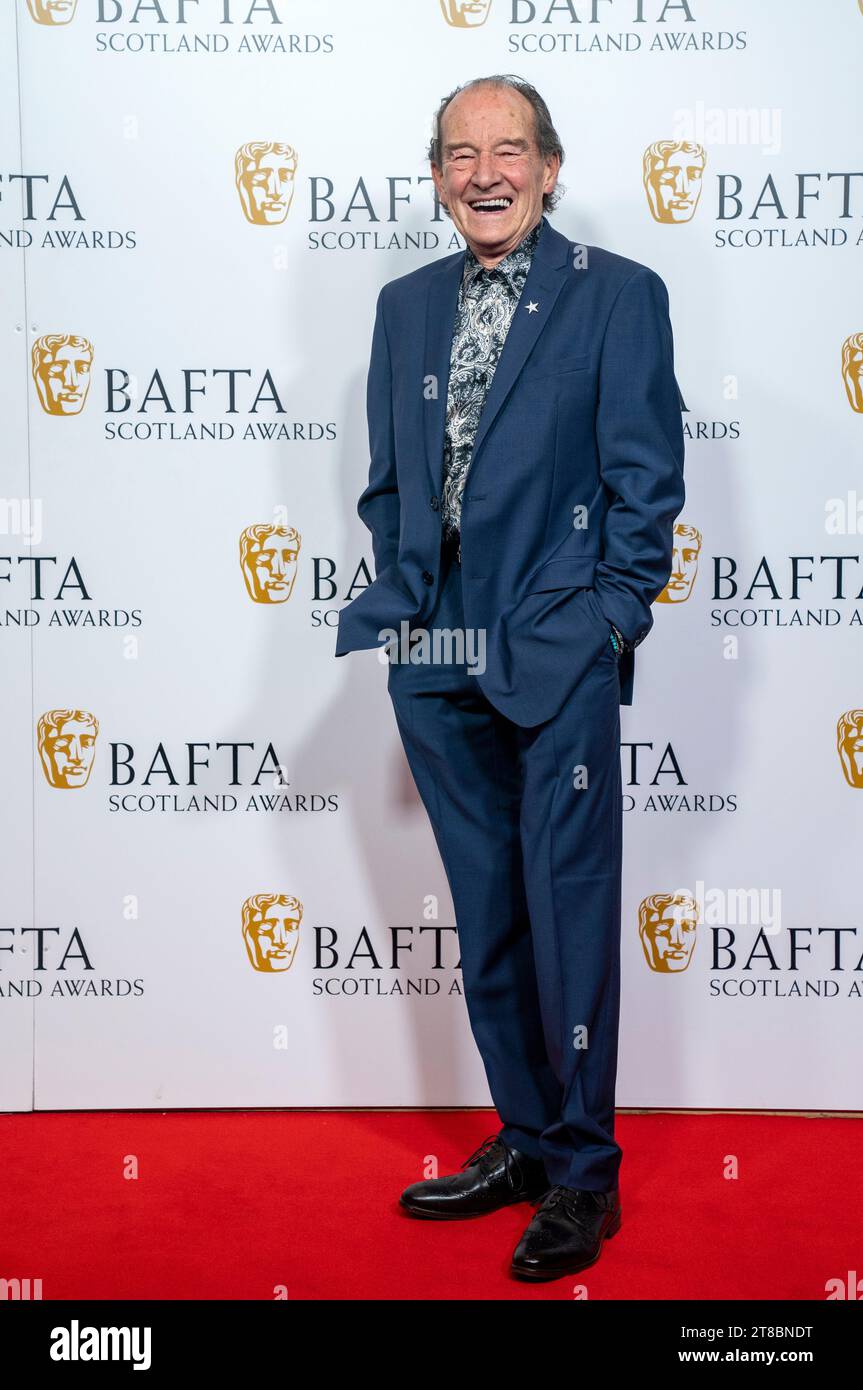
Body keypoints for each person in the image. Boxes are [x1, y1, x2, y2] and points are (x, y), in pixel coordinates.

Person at [335, 73, 685, 1281]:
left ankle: (586, 1176)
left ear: (547, 167)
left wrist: (605, 619)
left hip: (555, 655)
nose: (484, 173)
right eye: (460, 153)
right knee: (486, 921)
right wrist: (401, 607)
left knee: (569, 918)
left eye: (509, 150)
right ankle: (528, 1141)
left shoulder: (617, 299)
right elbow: (391, 480)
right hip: (432, 656)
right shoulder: (402, 306)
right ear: (436, 175)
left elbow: (646, 487)